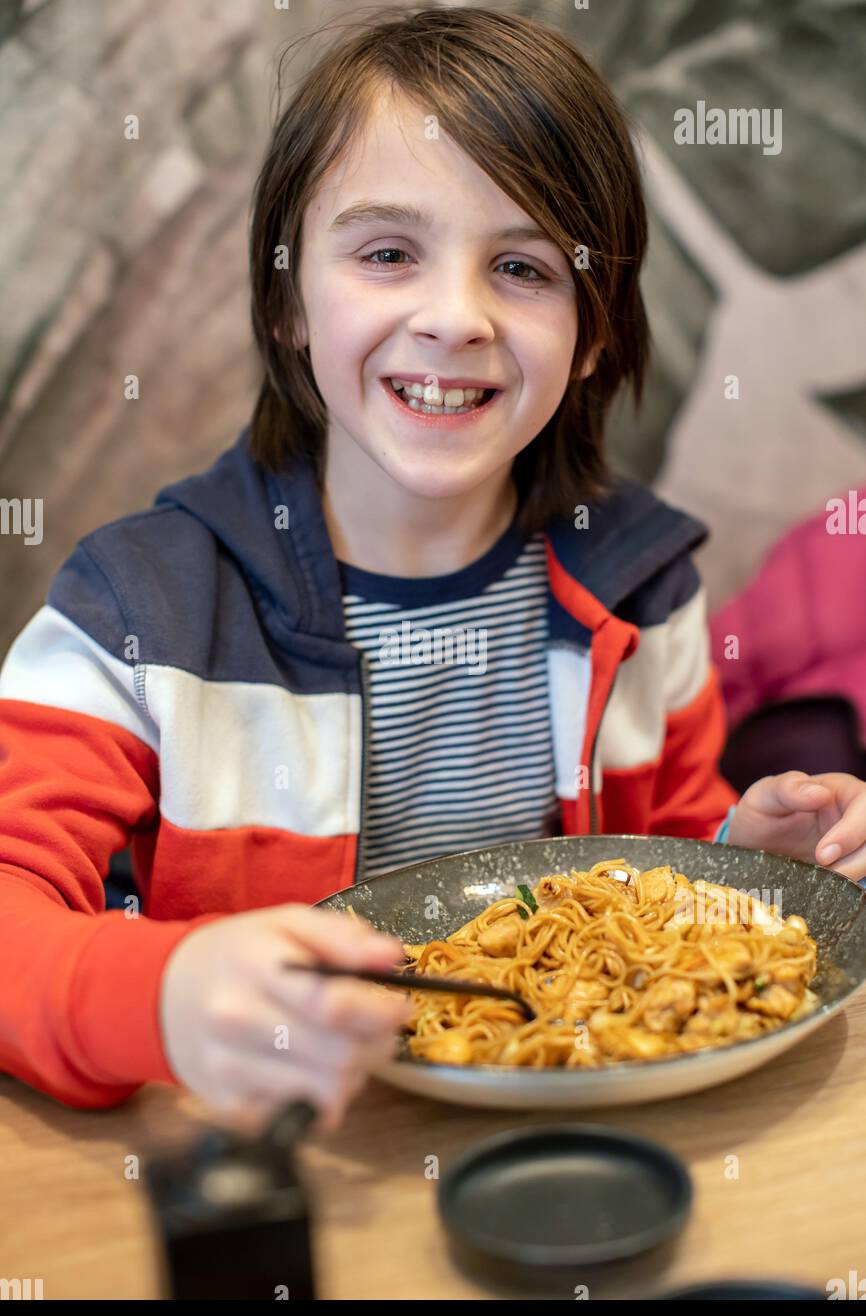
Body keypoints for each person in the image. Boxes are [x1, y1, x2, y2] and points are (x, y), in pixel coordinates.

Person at [2, 7, 864, 1127]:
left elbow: (639, 882)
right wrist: (164, 994)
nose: (454, 317)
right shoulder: (138, 609)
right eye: (386, 253)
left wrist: (739, 862)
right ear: (285, 303)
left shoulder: (639, 589)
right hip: (287, 1168)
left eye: (520, 266)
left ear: (594, 328)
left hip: (565, 1161)